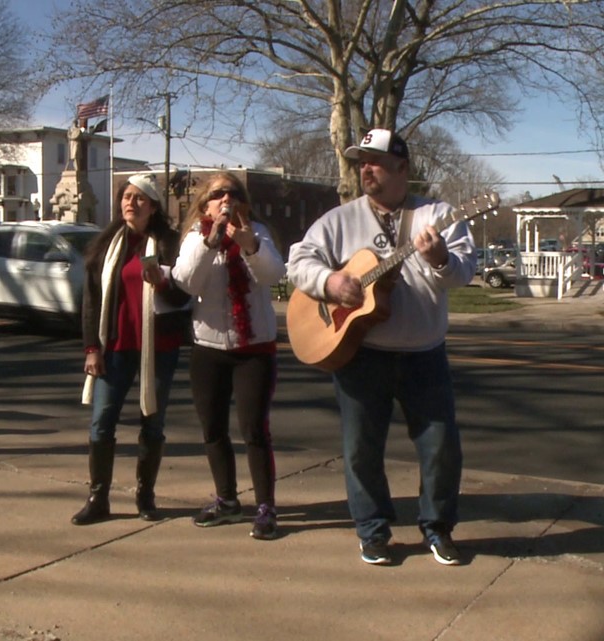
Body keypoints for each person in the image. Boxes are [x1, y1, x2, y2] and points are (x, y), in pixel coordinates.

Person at [286, 129, 476, 566]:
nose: (365, 169)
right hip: (360, 353)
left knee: (441, 446)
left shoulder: (439, 214)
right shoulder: (339, 220)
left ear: (402, 168)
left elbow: (463, 272)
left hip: (424, 353)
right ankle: (372, 531)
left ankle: (438, 527)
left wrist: (440, 259)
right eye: (360, 162)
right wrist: (330, 281)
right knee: (361, 450)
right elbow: (299, 261)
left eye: (374, 161)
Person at [172, 172, 286, 540]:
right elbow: (186, 281)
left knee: (254, 430)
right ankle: (227, 500)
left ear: (244, 202)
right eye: (218, 193)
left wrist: (249, 245)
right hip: (209, 348)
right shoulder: (195, 237)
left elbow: (274, 274)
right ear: (205, 203)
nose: (226, 198)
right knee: (213, 429)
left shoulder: (258, 232)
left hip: (254, 348)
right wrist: (210, 242)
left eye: (233, 193)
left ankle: (266, 507)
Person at [72, 174, 191, 525]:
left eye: (140, 198)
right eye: (126, 196)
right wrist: (92, 347)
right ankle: (98, 498)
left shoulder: (170, 244)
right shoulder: (108, 244)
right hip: (115, 347)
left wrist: (163, 282)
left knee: (152, 423)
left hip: (159, 347)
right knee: (101, 422)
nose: (130, 203)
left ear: (153, 207)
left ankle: (145, 496)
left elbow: (185, 296)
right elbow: (91, 300)